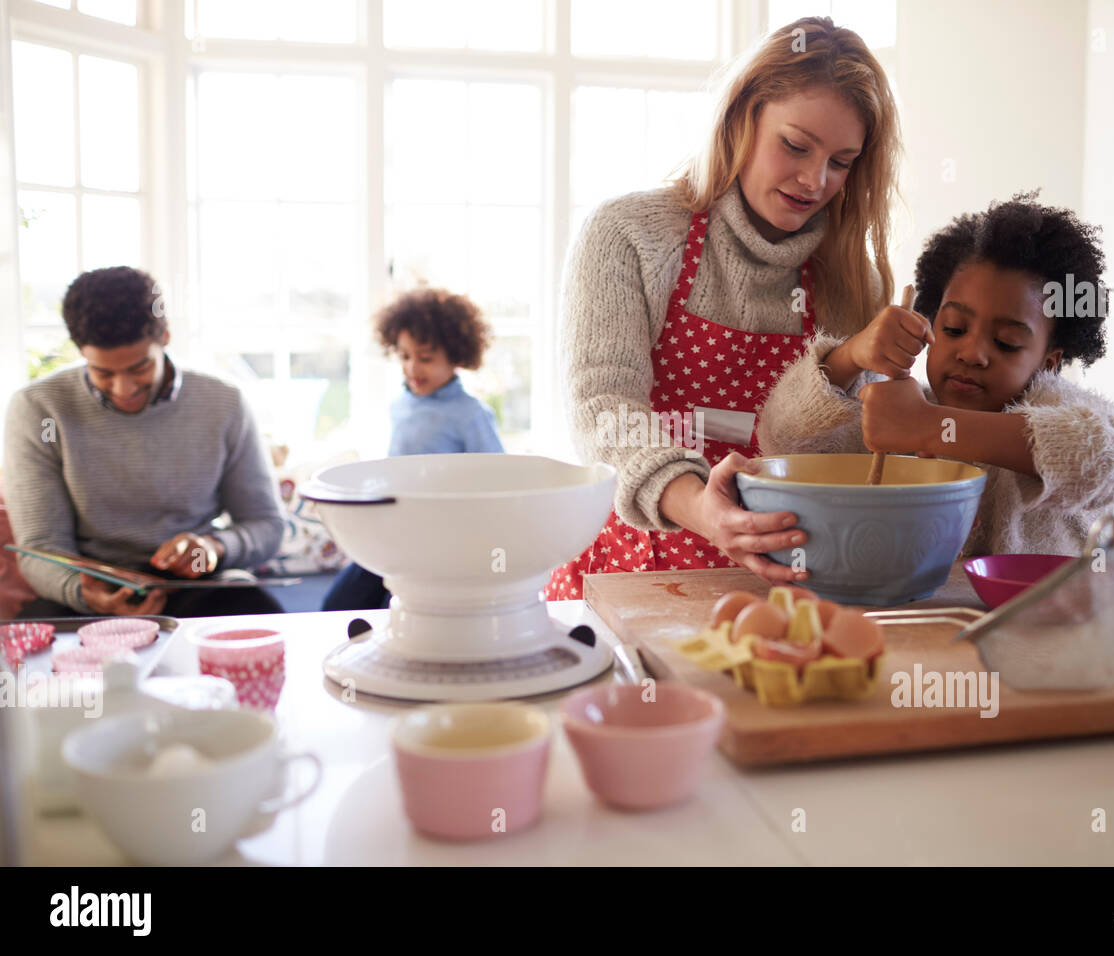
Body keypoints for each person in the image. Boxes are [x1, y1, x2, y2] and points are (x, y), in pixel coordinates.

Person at [545, 16, 901, 600]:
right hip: (633, 576)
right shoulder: (629, 235)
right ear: (742, 116)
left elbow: (844, 460)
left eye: (841, 161)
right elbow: (605, 410)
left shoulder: (851, 279)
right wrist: (705, 512)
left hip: (791, 584)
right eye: (795, 145)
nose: (815, 180)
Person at [756, 194, 1114, 555]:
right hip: (927, 624)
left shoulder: (1051, 405)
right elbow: (783, 439)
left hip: (1050, 625)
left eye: (1007, 342)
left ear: (1048, 362)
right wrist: (849, 356)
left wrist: (932, 427)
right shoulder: (897, 413)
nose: (972, 353)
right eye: (955, 329)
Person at [4, 266, 287, 618]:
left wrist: (212, 548)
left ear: (165, 336)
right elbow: (41, 548)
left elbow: (267, 525)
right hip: (89, 593)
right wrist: (82, 590)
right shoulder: (38, 409)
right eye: (103, 372)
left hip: (197, 587)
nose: (124, 389)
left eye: (139, 368)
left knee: (259, 612)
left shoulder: (223, 404)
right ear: (80, 351)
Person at [321, 286, 503, 611]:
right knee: (337, 604)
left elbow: (499, 478)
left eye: (426, 358)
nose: (412, 368)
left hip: (442, 540)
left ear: (456, 356)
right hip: (393, 532)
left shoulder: (471, 414)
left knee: (405, 608)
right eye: (405, 356)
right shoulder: (401, 404)